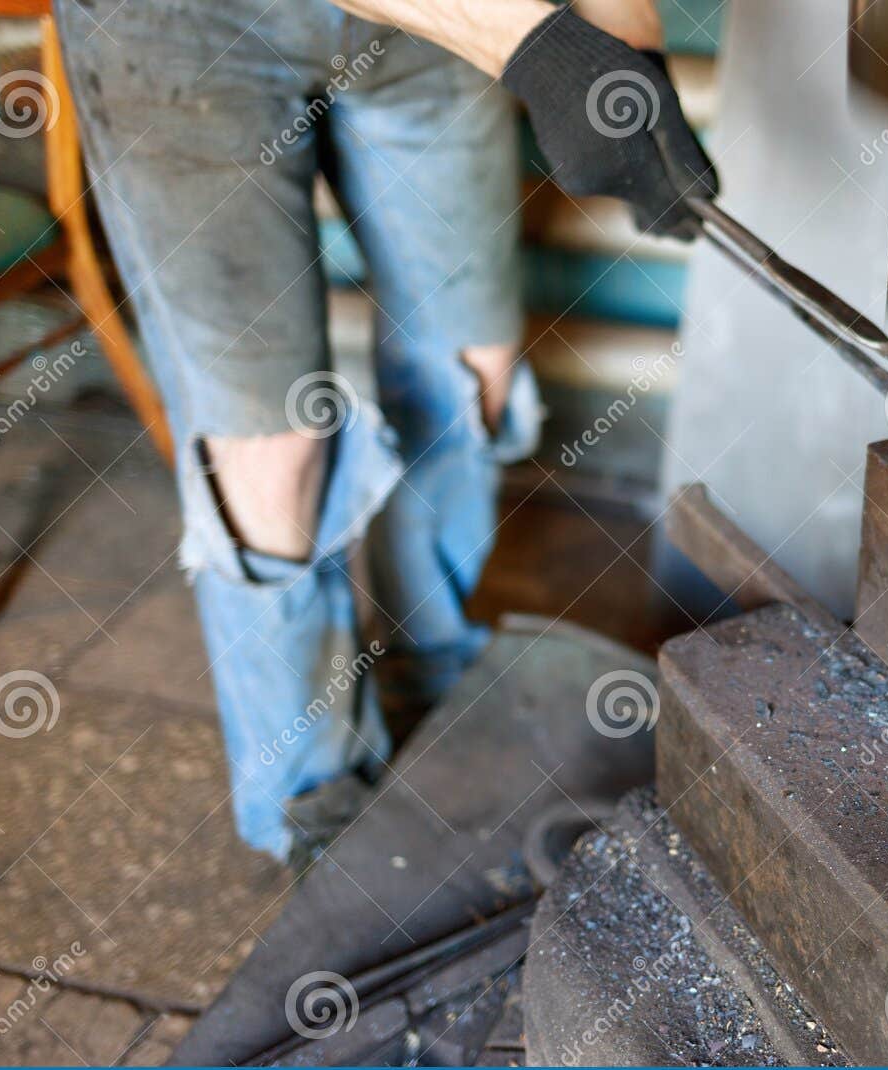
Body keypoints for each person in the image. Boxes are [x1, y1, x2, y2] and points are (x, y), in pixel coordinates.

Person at [54, 0, 716, 863]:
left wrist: (632, 60)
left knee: (468, 368)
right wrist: (537, 47)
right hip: (174, 31)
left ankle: (436, 676)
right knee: (272, 447)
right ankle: (313, 794)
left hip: (427, 31)